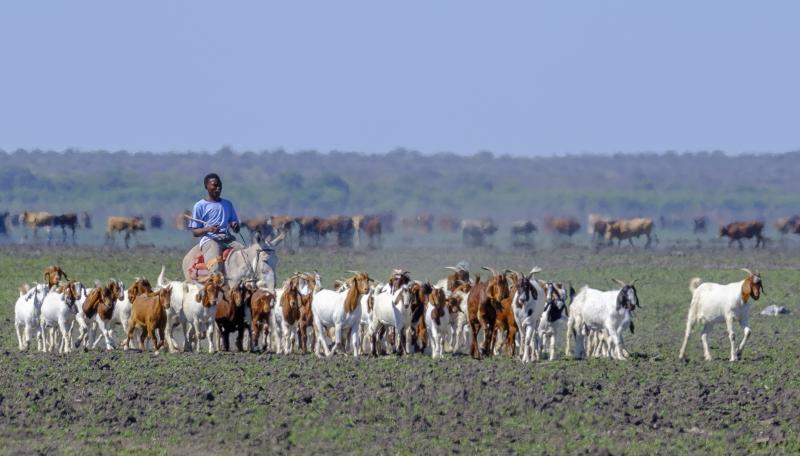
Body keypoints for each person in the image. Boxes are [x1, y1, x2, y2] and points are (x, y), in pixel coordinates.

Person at [188, 173, 242, 276]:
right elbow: (195, 232)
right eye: (215, 185)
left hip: (227, 239)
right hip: (210, 240)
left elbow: (233, 222)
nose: (218, 188)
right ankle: (214, 283)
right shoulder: (199, 206)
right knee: (216, 267)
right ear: (206, 186)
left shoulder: (227, 204)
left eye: (220, 185)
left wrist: (235, 225)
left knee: (245, 255)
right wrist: (208, 229)